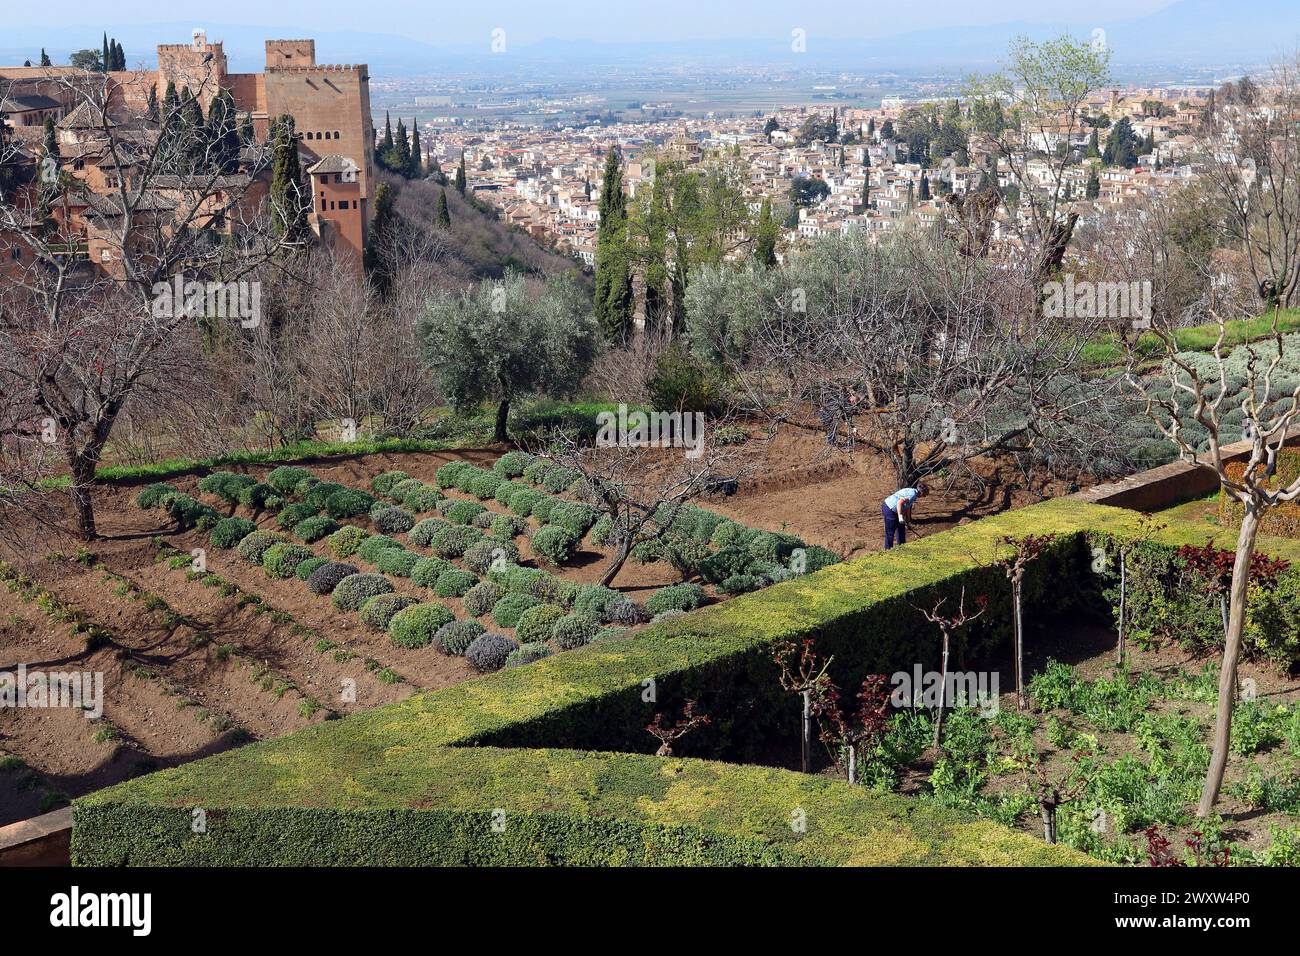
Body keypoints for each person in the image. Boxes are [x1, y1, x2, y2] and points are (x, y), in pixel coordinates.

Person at [882, 483, 927, 549]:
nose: (924, 497)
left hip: (896, 509)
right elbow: (899, 503)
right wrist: (900, 517)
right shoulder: (912, 494)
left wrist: (908, 521)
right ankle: (888, 550)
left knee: (901, 528)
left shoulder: (913, 493)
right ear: (922, 492)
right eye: (924, 495)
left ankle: (902, 547)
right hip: (889, 508)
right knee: (890, 531)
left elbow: (907, 507)